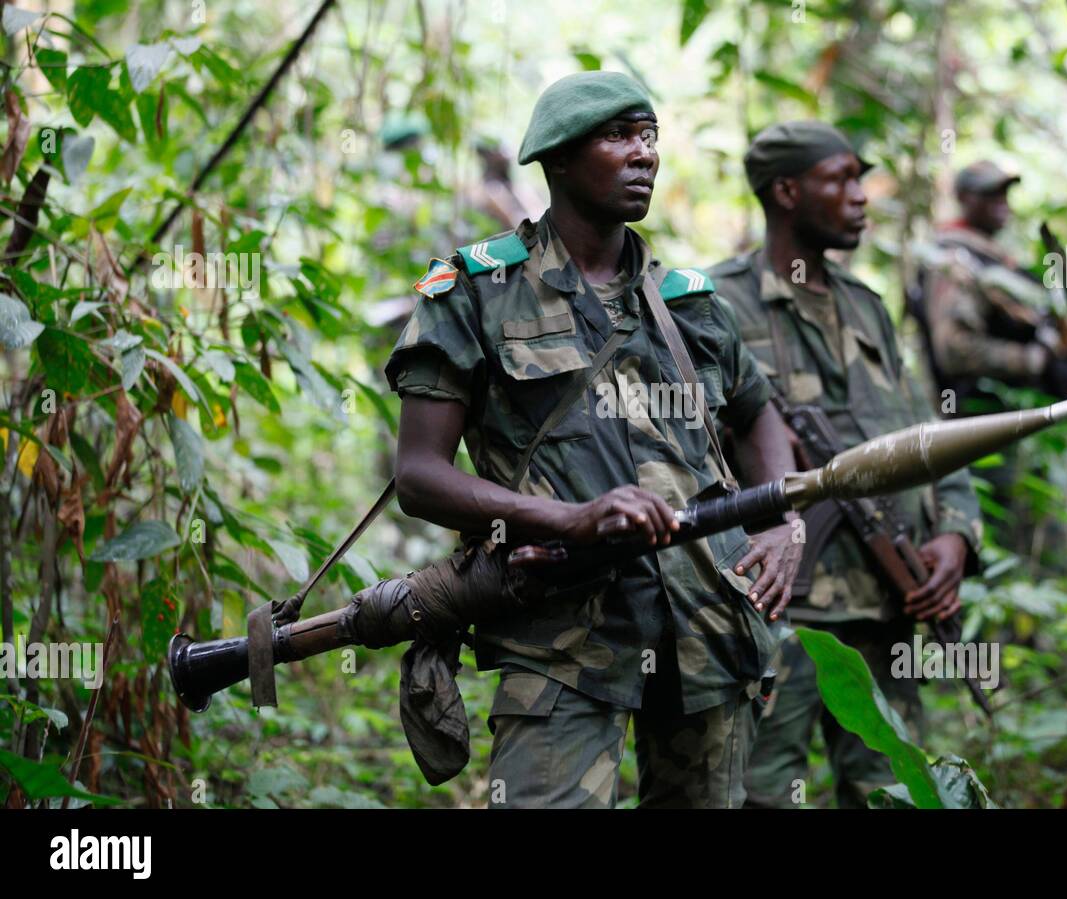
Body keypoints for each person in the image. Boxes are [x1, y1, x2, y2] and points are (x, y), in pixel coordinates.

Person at [384, 71, 803, 808]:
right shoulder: (473, 291)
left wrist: (781, 522)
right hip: (560, 639)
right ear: (558, 159)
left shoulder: (690, 304)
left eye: (650, 136)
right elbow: (419, 474)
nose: (643, 154)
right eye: (619, 137)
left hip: (705, 626)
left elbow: (759, 411)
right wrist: (568, 517)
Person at [706, 121, 983, 808]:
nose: (861, 196)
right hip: (771, 613)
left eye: (861, 179)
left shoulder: (867, 308)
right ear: (787, 190)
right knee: (761, 796)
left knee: (894, 794)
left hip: (885, 606)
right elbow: (676, 450)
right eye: (842, 179)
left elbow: (926, 434)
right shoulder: (714, 302)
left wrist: (954, 535)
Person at [910, 160, 1067, 417]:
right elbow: (954, 350)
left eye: (1004, 193)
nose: (1001, 201)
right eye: (989, 194)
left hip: (1020, 413)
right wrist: (1032, 359)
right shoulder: (953, 261)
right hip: (986, 420)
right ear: (964, 198)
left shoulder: (990, 257)